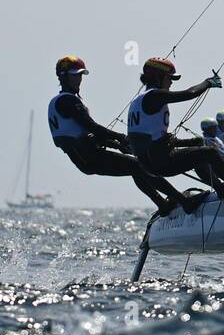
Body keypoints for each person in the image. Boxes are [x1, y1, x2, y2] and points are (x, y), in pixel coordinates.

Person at [48, 55, 195, 215]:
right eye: (75, 75)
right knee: (140, 166)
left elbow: (87, 134)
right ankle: (182, 201)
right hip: (88, 156)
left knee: (136, 167)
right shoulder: (68, 101)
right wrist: (120, 137)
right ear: (63, 77)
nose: (79, 80)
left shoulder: (60, 101)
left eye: (80, 75)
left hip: (85, 156)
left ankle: (164, 204)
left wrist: (118, 145)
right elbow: (91, 127)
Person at [127, 57, 224, 200]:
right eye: (169, 78)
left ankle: (221, 188)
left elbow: (148, 137)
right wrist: (207, 82)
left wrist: (187, 142)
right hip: (159, 162)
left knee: (198, 148)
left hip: (149, 162)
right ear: (157, 77)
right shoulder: (154, 96)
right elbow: (189, 93)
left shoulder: (138, 100)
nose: (171, 82)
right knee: (209, 152)